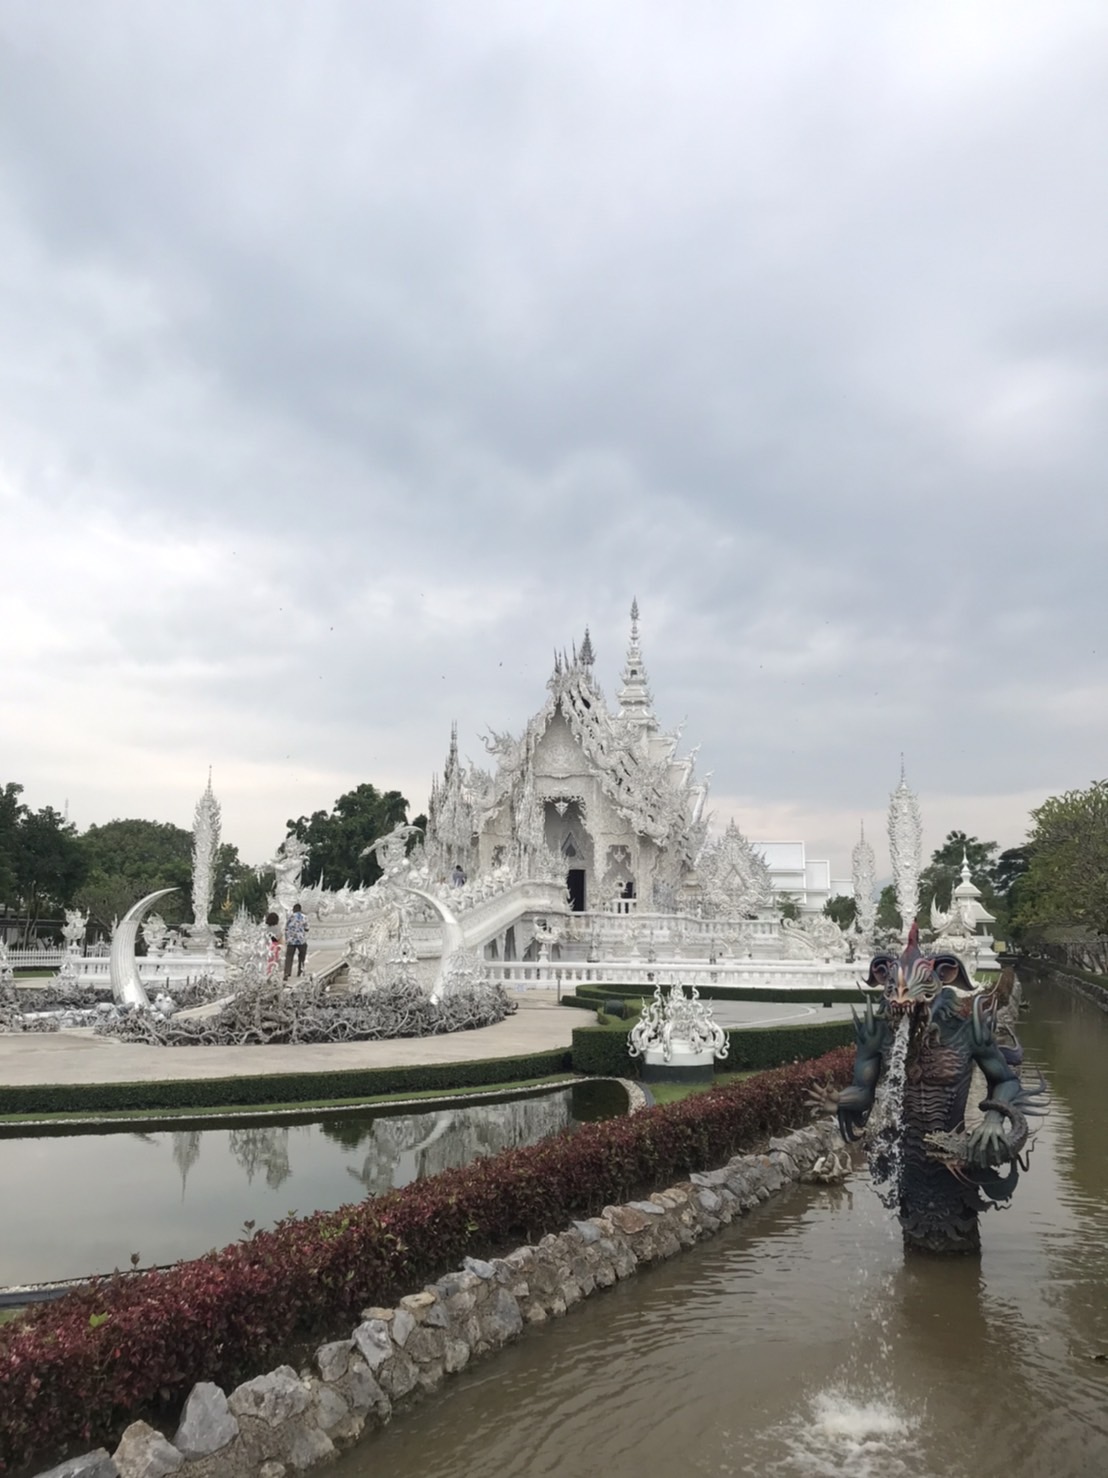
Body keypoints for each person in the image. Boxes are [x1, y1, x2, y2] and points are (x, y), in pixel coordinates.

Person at [283, 903, 309, 980]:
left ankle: (287, 972)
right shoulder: (304, 917)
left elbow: (285, 927)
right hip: (301, 940)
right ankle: (300, 971)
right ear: (300, 909)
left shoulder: (289, 917)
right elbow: (307, 928)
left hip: (291, 940)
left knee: (289, 956)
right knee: (302, 955)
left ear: (293, 909)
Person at [264, 912, 281, 977]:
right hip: (274, 946)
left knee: (267, 961)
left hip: (266, 945)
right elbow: (278, 937)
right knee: (273, 961)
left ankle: (266, 973)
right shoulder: (277, 928)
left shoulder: (266, 928)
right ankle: (271, 974)